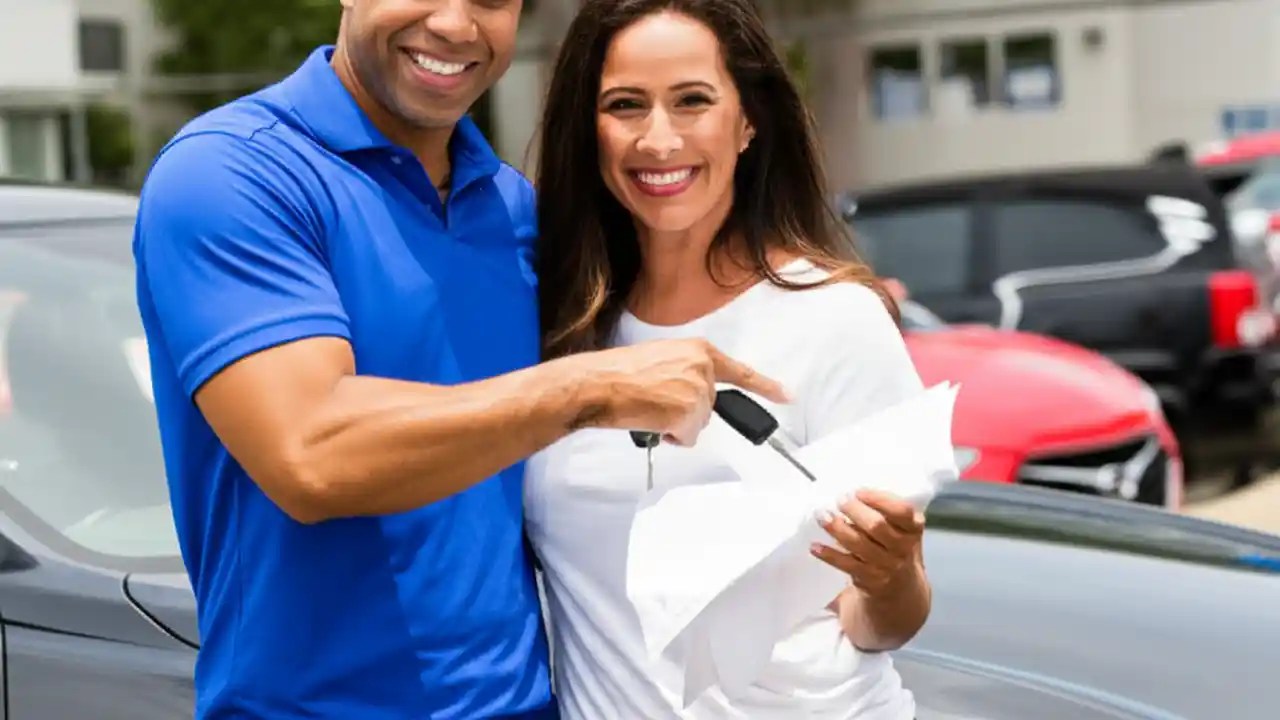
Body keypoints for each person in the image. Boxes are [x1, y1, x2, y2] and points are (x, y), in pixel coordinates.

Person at [131, 1, 785, 718]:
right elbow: (309, 453)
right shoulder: (231, 173)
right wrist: (586, 389)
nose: (453, 23)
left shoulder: (516, 209)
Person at [526, 1, 932, 718]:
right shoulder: (556, 328)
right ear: (588, 130)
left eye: (692, 101)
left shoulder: (834, 318)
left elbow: (880, 624)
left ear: (747, 122)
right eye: (625, 105)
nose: (659, 138)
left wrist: (890, 576)